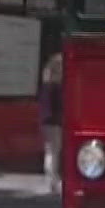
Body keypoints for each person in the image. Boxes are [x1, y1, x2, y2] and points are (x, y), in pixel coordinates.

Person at [38, 53, 63, 193]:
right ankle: (53, 180)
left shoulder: (46, 85)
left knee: (50, 150)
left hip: (46, 121)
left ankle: (51, 179)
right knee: (54, 151)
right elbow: (57, 106)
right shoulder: (56, 86)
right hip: (54, 122)